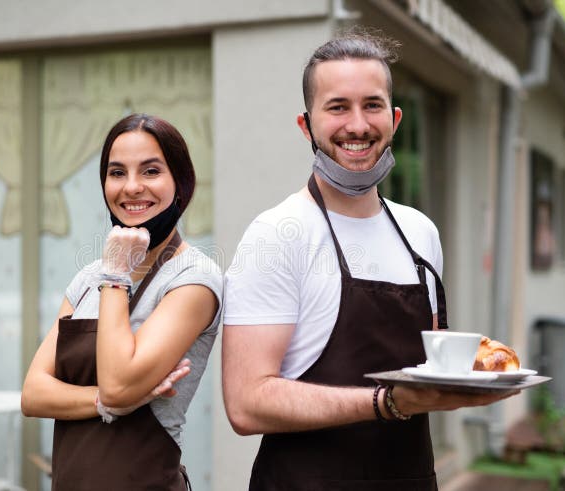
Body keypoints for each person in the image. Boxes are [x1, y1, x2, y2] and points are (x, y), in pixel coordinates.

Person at [221, 32, 518, 490]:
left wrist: (475, 377)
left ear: (394, 119)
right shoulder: (278, 234)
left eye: (372, 105)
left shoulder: (420, 233)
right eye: (338, 107)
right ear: (306, 125)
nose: (357, 125)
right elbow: (246, 403)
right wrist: (386, 403)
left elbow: (429, 372)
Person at [22, 113, 222, 490]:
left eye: (150, 171)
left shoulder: (193, 278)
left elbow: (118, 384)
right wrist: (103, 403)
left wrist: (116, 275)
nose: (131, 187)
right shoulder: (88, 279)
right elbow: (33, 394)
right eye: (117, 173)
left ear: (181, 183)